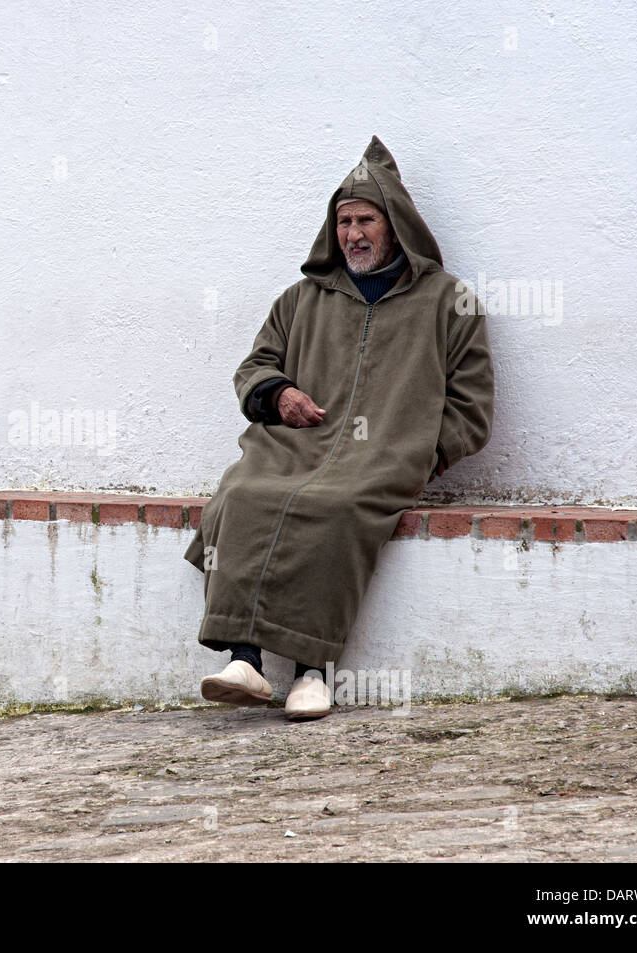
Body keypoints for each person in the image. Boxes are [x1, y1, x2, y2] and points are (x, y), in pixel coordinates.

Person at [184, 136, 495, 720]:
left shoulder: (448, 303)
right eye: (344, 220)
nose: (353, 233)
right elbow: (255, 366)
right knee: (245, 494)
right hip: (292, 447)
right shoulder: (301, 300)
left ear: (395, 225)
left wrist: (421, 455)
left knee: (338, 507)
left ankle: (311, 673)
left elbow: (472, 408)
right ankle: (245, 659)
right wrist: (279, 395)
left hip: (383, 458)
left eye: (366, 220)